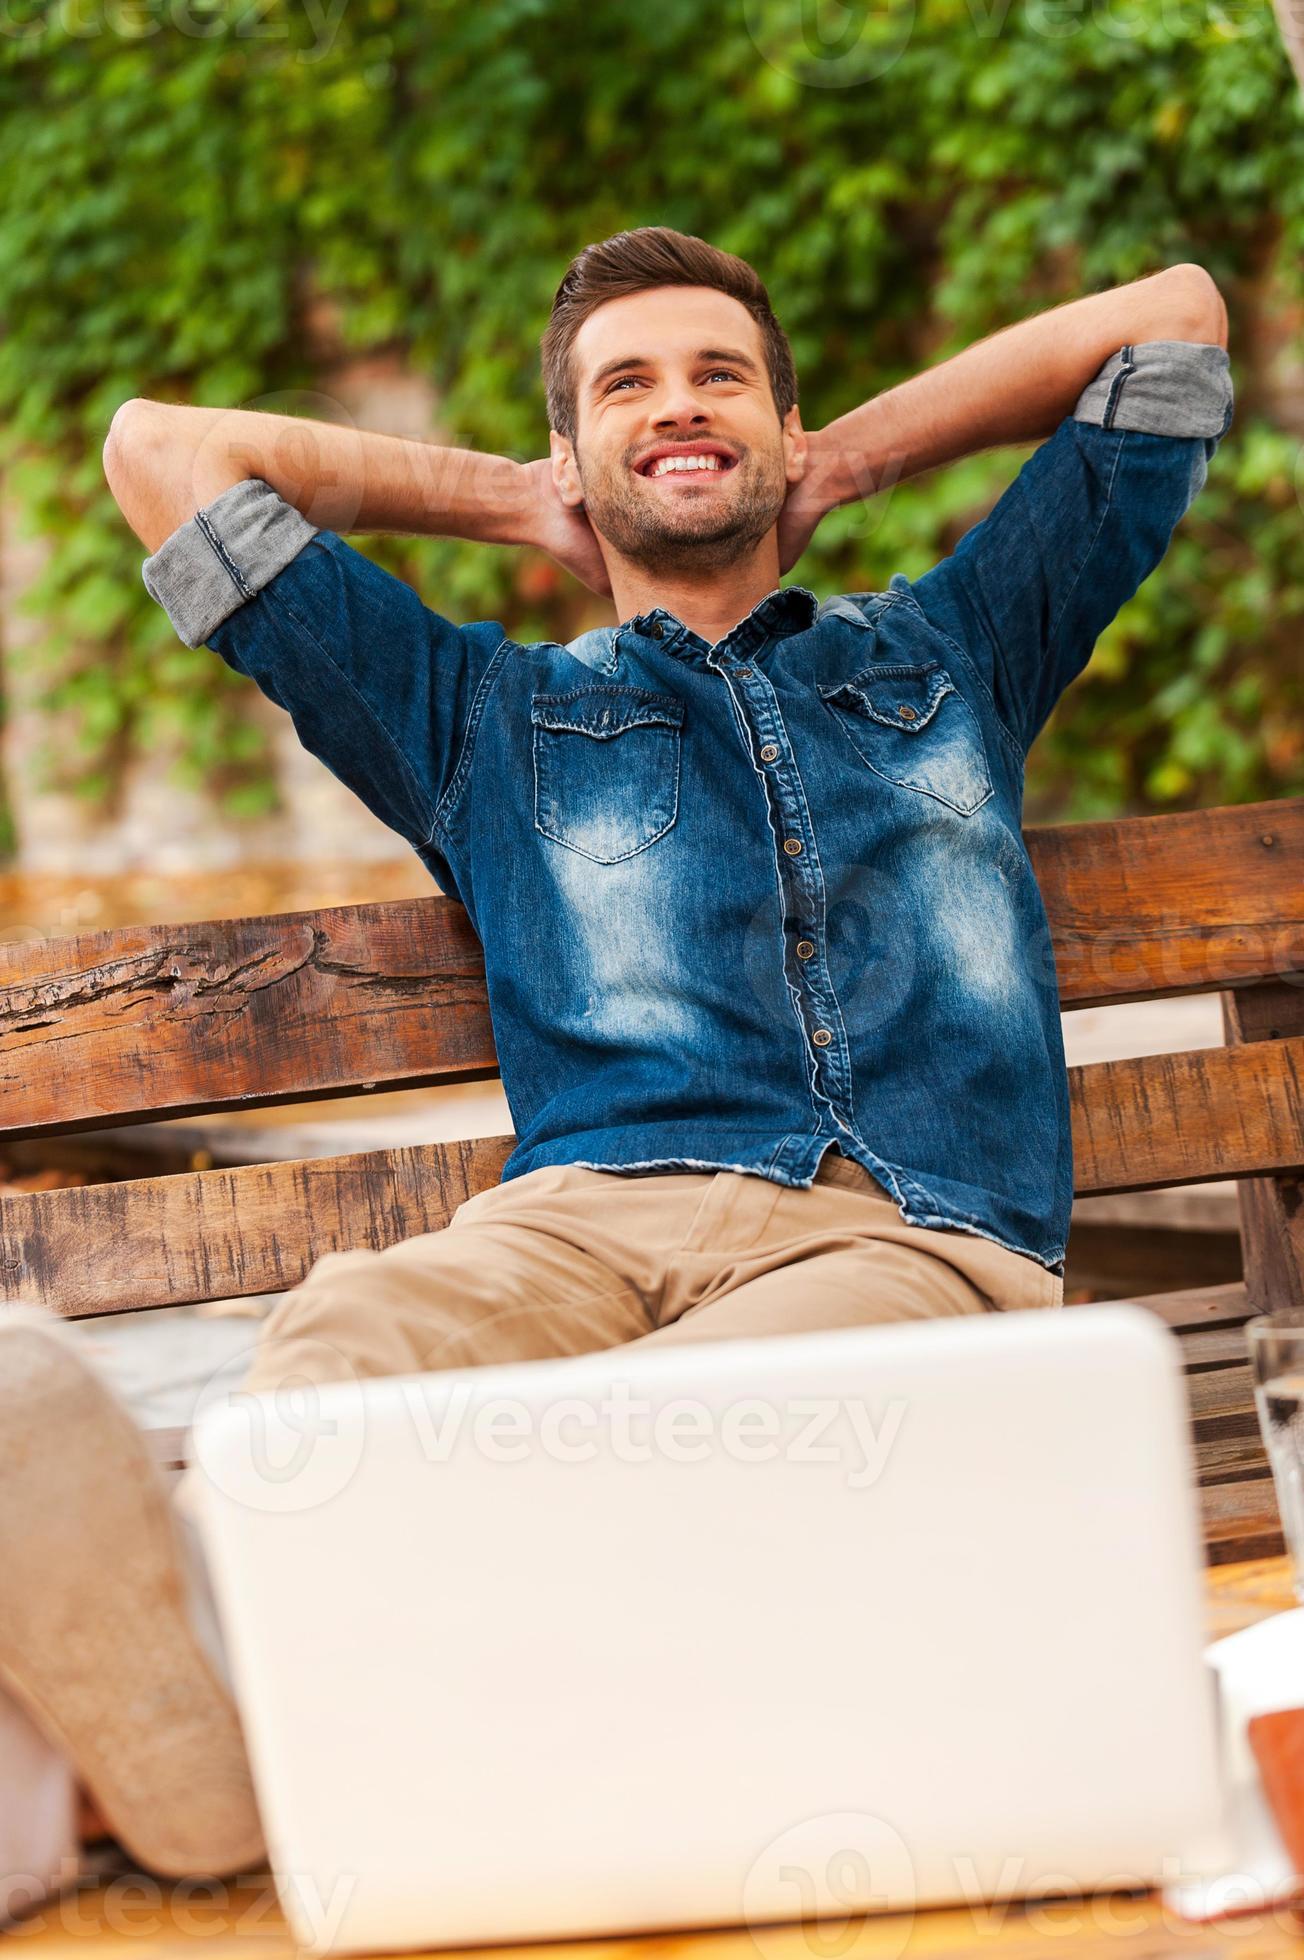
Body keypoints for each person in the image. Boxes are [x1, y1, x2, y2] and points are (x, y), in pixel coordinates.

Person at [2, 229, 1232, 1890]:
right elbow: (162, 451)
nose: (680, 407)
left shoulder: (955, 653)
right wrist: (513, 497)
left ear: (786, 426)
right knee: (344, 1353)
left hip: (899, 1235)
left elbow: (1169, 325)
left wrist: (848, 457)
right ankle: (211, 1766)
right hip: (581, 1227)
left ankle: (286, 1768)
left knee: (707, 1428)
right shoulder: (468, 714)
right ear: (575, 450)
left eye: (722, 375)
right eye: (626, 388)